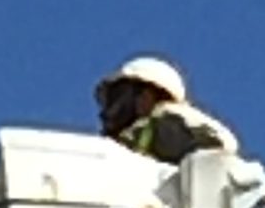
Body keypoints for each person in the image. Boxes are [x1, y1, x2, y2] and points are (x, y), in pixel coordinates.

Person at [95, 54, 240, 165]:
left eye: (117, 99)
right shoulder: (115, 149)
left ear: (144, 99)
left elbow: (223, 146)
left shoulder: (167, 125)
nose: (104, 114)